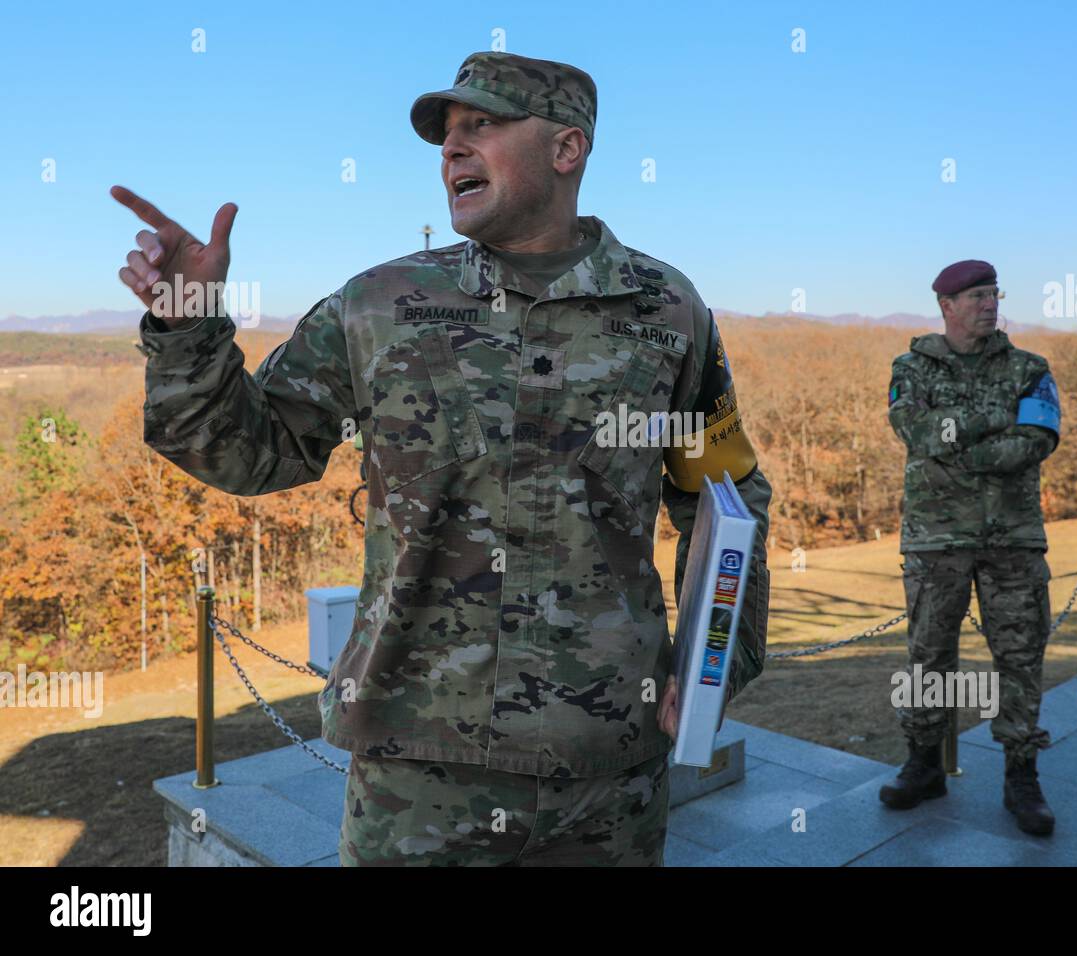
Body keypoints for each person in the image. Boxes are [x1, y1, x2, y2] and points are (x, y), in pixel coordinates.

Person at [113, 51, 772, 866]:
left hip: (610, 766)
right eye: (447, 135)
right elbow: (254, 455)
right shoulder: (380, 304)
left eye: (482, 126)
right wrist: (186, 327)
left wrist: (716, 663)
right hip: (414, 775)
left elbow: (726, 494)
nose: (452, 150)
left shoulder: (669, 311)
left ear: (567, 150)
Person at [880, 259, 1060, 836]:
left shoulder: (1031, 369)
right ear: (947, 306)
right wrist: (989, 419)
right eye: (978, 296)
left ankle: (1021, 775)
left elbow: (1037, 438)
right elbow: (919, 432)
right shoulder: (911, 367)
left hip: (1013, 538)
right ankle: (924, 763)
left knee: (1020, 655)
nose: (990, 304)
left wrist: (962, 451)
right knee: (929, 654)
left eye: (994, 294)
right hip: (936, 538)